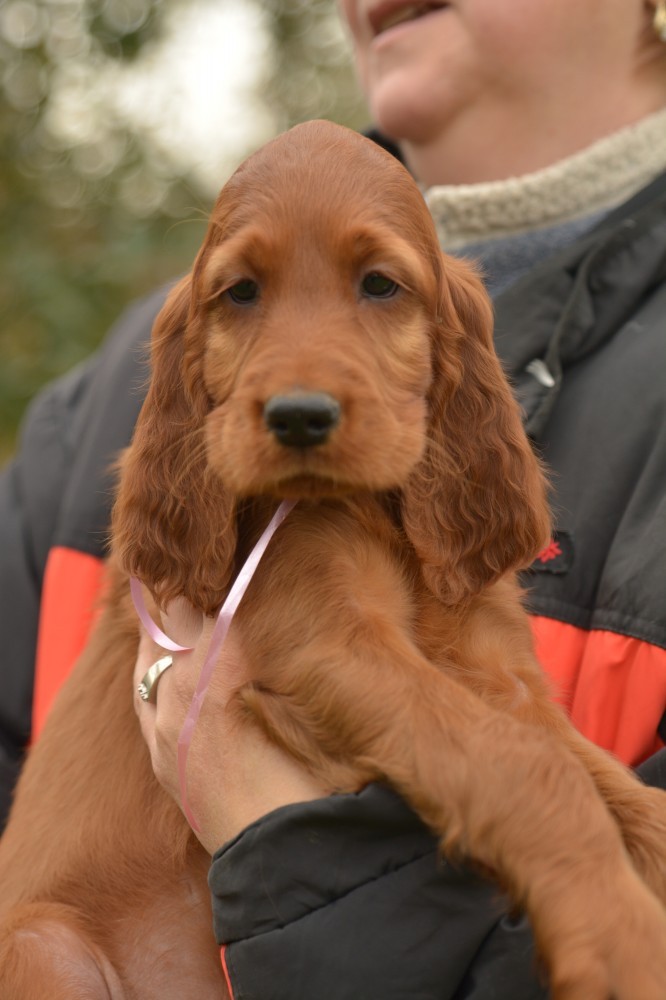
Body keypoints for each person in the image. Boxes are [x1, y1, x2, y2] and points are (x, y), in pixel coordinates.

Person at [2, 0, 666, 995]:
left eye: (381, 286)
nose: (301, 380)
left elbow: (510, 728)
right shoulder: (100, 409)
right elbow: (361, 674)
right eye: (241, 293)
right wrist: (564, 838)